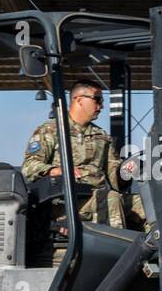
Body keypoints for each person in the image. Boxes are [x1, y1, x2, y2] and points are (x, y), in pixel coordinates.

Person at [21, 80, 129, 230]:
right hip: (67, 200)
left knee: (146, 204)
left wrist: (126, 171)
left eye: (102, 101)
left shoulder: (102, 136)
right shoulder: (51, 131)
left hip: (99, 195)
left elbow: (114, 177)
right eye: (97, 99)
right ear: (79, 100)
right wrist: (59, 170)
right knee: (112, 199)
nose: (101, 106)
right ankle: (119, 251)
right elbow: (29, 166)